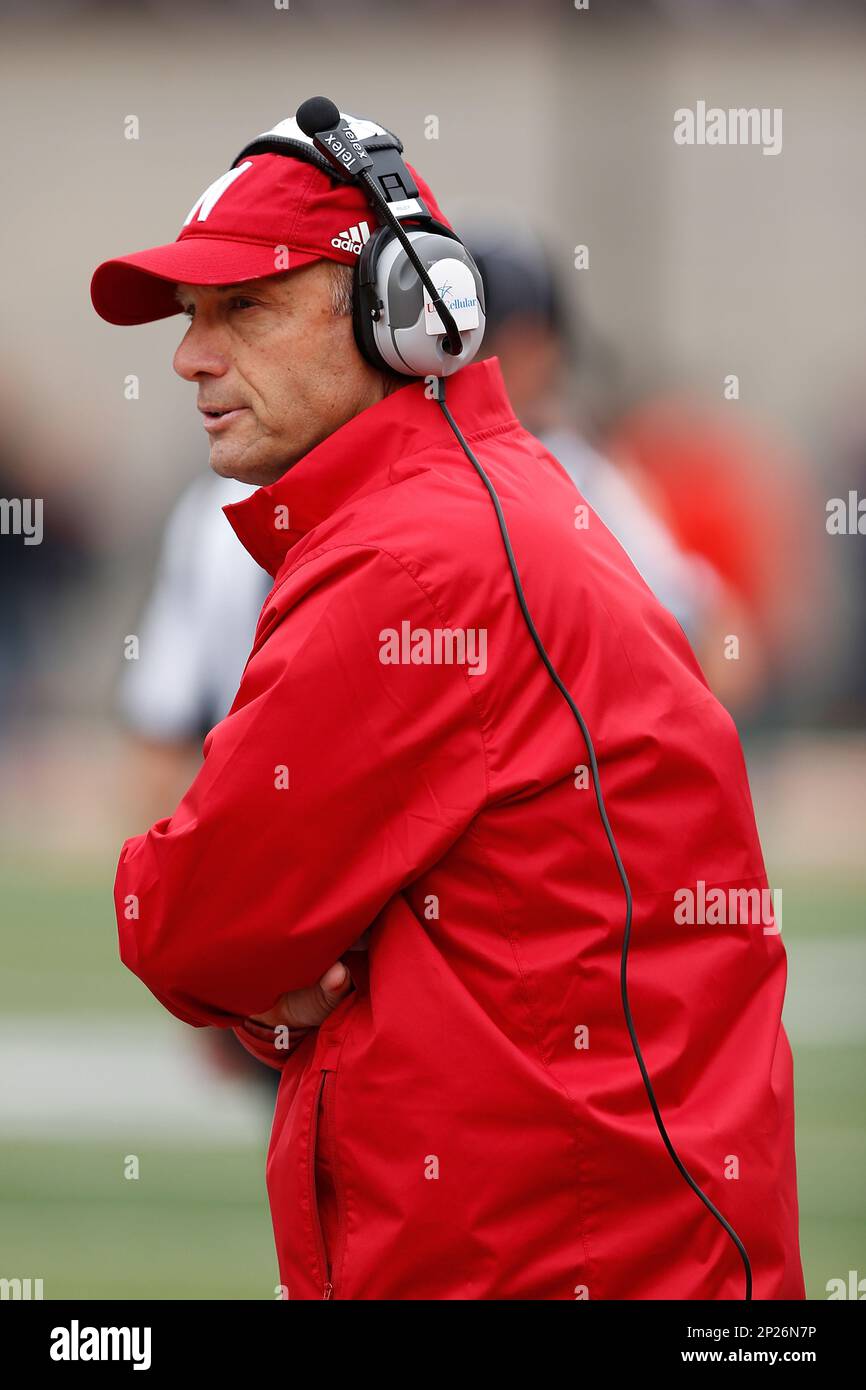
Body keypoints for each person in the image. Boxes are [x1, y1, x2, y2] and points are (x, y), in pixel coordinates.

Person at [91, 104, 804, 1300]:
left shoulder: (411, 557)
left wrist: (255, 962)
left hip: (547, 1252)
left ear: (404, 313)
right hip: (593, 1231)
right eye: (188, 318)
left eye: (243, 309)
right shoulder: (476, 503)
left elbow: (189, 916)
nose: (189, 357)